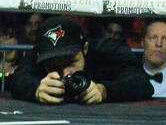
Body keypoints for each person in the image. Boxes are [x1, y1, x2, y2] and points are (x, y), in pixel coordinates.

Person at [10, 16, 155, 105]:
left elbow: (142, 83)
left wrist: (104, 90)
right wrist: (36, 90)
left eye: (71, 63)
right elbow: (18, 78)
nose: (65, 73)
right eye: (54, 66)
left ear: (84, 49)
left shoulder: (106, 50)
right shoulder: (39, 54)